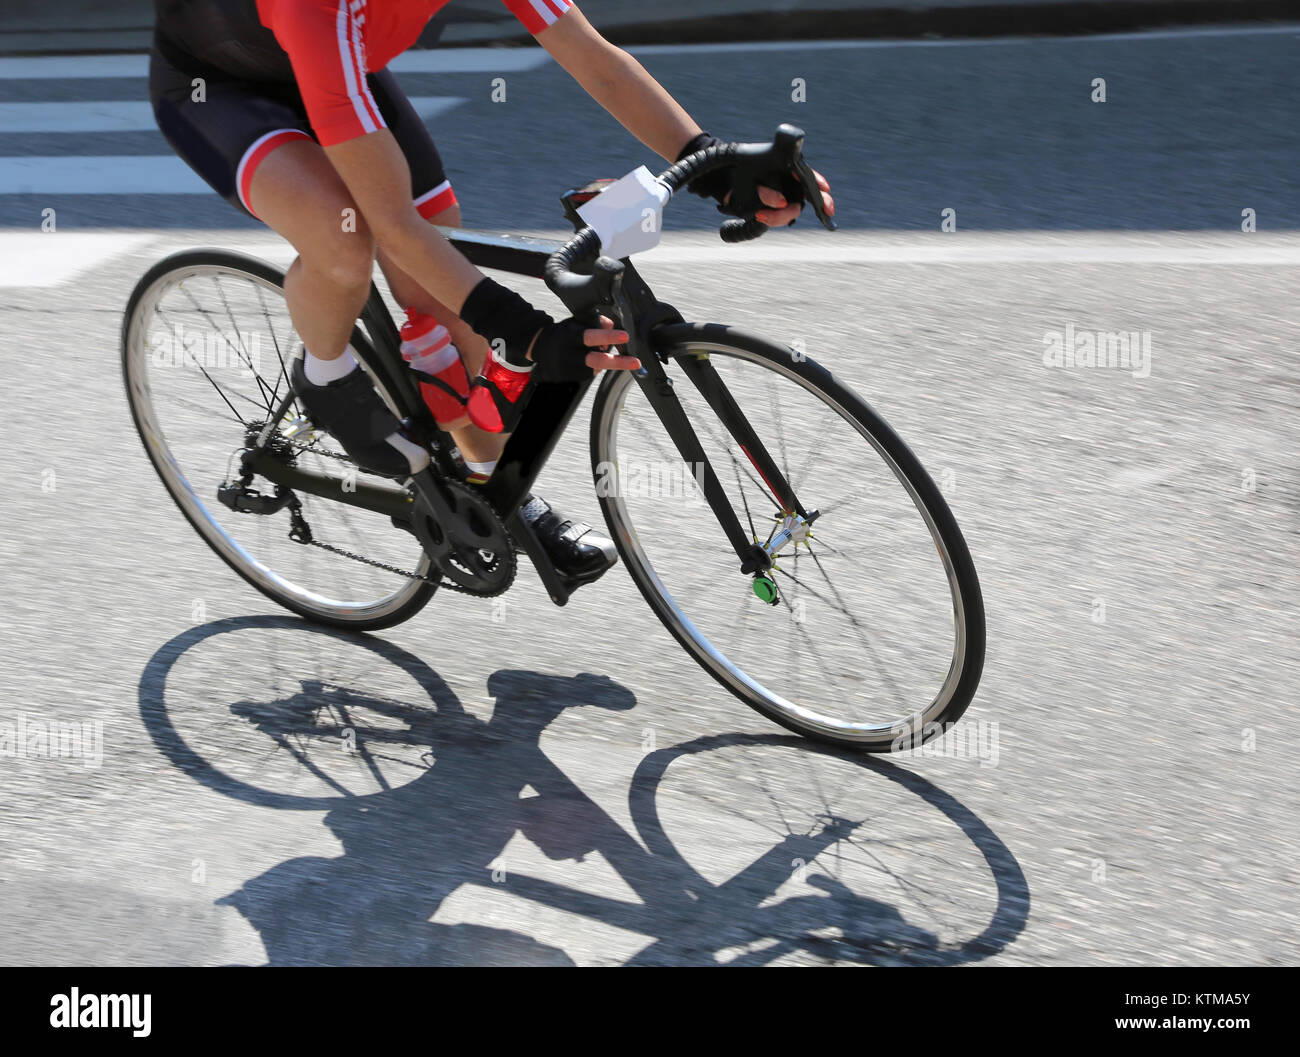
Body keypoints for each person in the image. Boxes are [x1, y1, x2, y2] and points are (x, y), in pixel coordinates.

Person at [149, 0, 834, 586]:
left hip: (336, 68)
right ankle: (327, 376)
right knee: (347, 238)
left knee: (444, 296)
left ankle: (495, 489)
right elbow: (391, 223)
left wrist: (712, 162)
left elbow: (589, 55)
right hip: (220, 87)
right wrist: (528, 332)